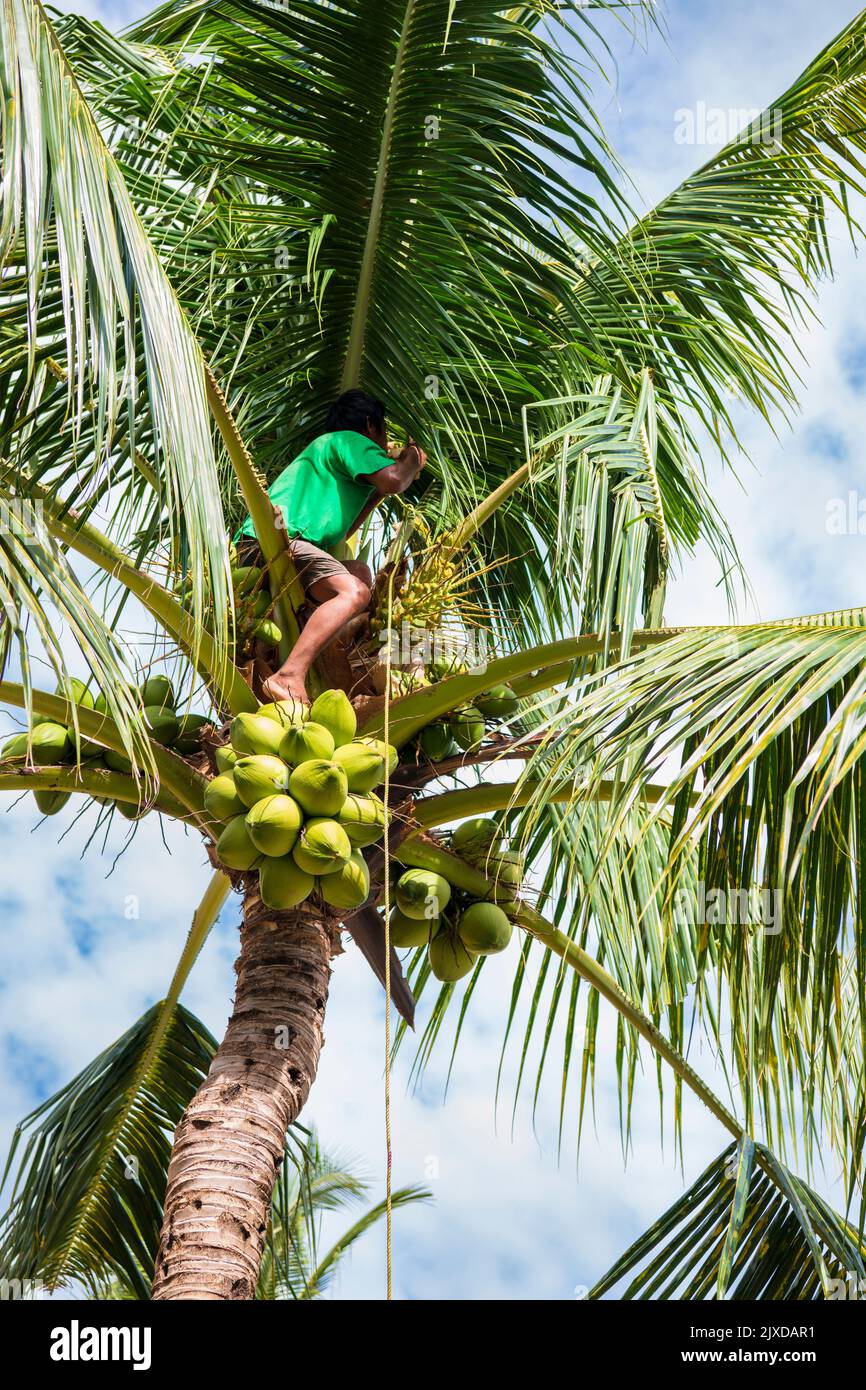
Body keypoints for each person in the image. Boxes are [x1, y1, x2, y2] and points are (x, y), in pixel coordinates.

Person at [236, 389, 426, 704]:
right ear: (369, 426)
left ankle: (319, 649)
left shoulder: (331, 452)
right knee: (355, 593)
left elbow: (346, 528)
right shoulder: (349, 440)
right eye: (383, 434)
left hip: (272, 548)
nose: (382, 446)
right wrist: (412, 458)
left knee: (359, 572)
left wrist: (381, 490)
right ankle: (289, 675)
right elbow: (394, 479)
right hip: (272, 541)